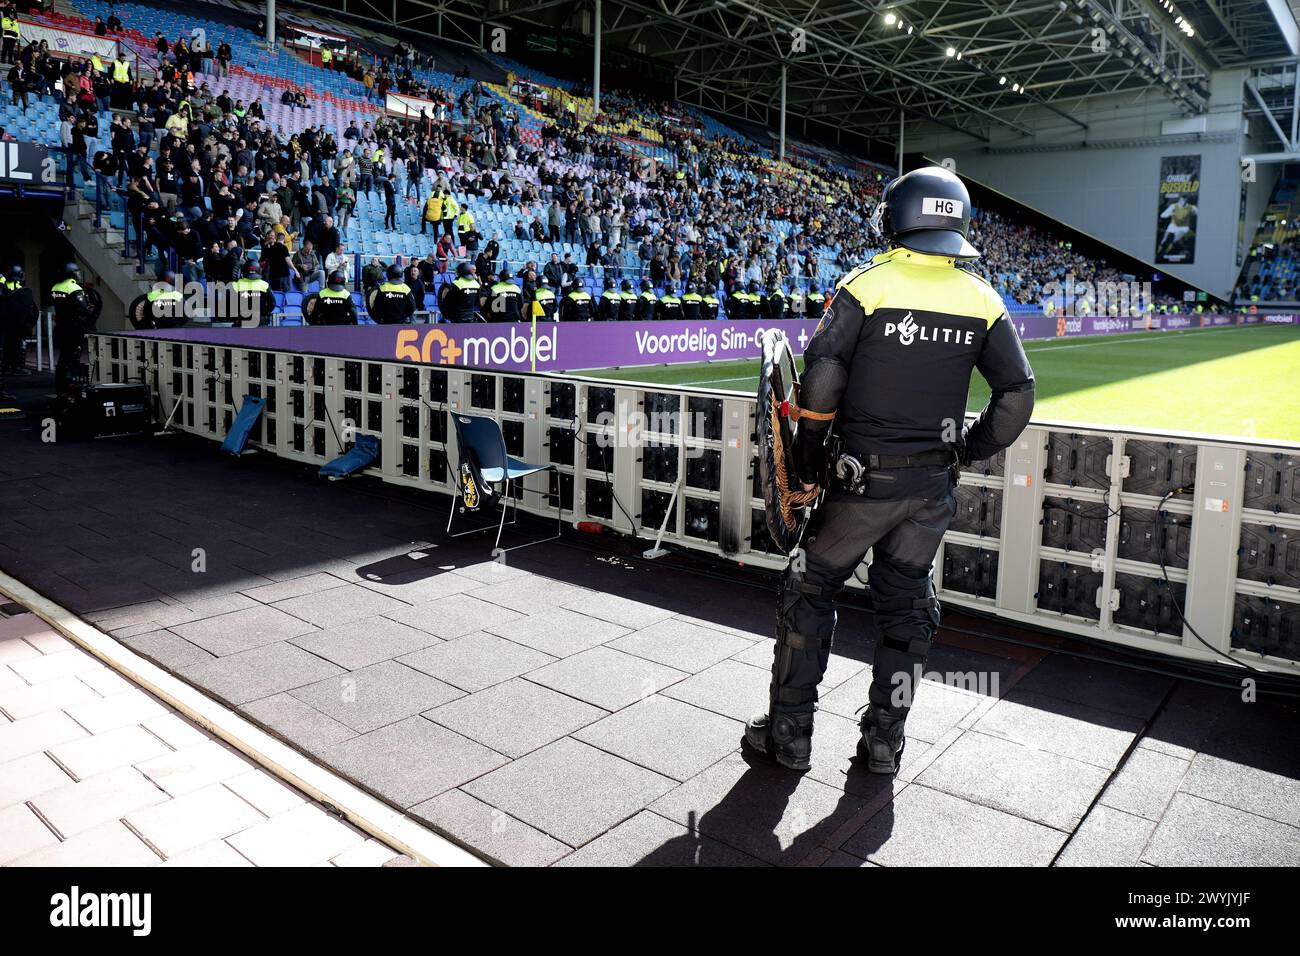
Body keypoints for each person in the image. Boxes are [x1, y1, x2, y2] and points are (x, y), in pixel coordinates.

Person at [744, 166, 1036, 774]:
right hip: (930, 492)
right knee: (908, 612)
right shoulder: (982, 298)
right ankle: (883, 743)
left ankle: (790, 736)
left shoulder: (865, 285)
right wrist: (965, 450)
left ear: (899, 218)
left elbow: (821, 375)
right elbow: (1016, 398)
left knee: (809, 590)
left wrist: (807, 454)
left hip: (859, 484)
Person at [50, 262, 97, 392]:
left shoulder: (55, 287)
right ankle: (70, 385)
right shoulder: (74, 288)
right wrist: (90, 308)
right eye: (75, 272)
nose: (77, 275)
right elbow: (83, 308)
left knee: (63, 356)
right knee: (73, 356)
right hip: (74, 327)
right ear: (70, 273)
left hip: (61, 326)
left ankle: (60, 384)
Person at [231, 259, 274, 327]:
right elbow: (272, 303)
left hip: (242, 321)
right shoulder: (264, 285)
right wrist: (265, 313)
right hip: (260, 321)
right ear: (259, 270)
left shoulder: (236, 285)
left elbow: (230, 304)